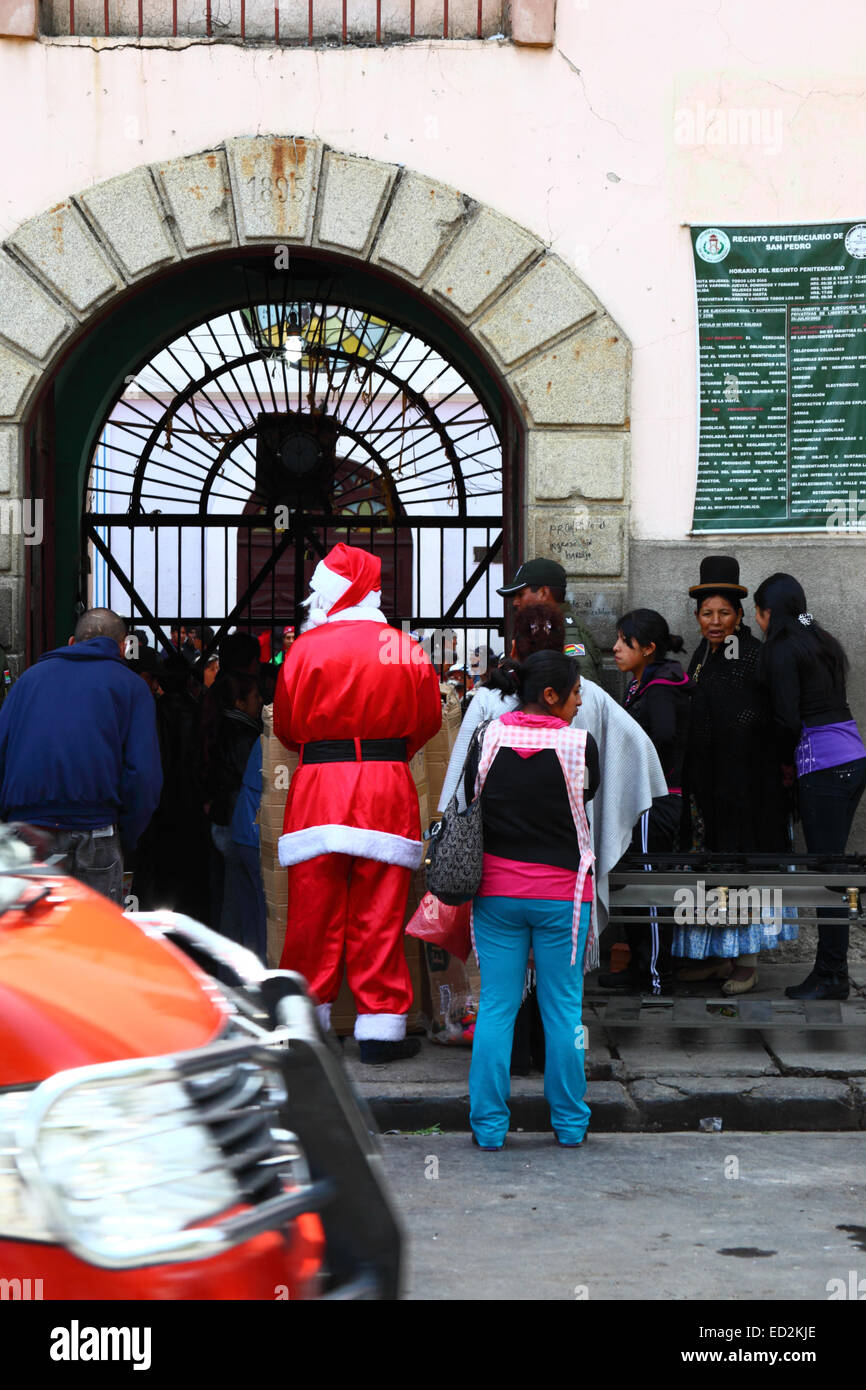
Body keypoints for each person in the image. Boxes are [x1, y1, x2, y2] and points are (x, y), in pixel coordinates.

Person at [275, 543, 442, 1063]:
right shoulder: (405, 649)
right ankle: (380, 1030)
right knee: (381, 912)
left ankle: (305, 1027)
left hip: (319, 790)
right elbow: (427, 721)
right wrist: (387, 755)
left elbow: (286, 727)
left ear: (336, 588)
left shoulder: (303, 649)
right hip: (385, 790)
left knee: (311, 914)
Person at [463, 651, 599, 1149]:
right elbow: (584, 797)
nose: (580, 700)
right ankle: (569, 1124)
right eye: (575, 691)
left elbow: (468, 798)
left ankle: (490, 1129)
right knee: (563, 1011)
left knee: (497, 1007)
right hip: (563, 896)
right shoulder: (581, 745)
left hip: (496, 894)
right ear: (550, 696)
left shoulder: (486, 738)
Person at [677, 556, 793, 994]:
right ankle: (721, 958)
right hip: (710, 785)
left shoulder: (747, 653)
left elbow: (750, 715)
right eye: (707, 613)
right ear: (696, 617)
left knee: (744, 865)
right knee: (715, 866)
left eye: (724, 612)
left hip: (747, 785)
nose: (715, 621)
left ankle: (746, 961)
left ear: (741, 615)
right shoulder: (705, 653)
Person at [754, 572, 866, 1001]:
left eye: (758, 614)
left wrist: (782, 763)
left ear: (769, 613)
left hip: (824, 767)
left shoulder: (782, 650)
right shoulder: (821, 641)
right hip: (851, 758)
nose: (759, 623)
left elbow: (786, 720)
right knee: (834, 870)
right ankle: (831, 971)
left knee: (828, 875)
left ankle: (831, 974)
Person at [0, 608, 162, 903]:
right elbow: (144, 776)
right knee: (95, 940)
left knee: (36, 939)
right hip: (97, 832)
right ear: (123, 647)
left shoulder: (27, 682)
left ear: (72, 642)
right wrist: (125, 836)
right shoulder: (132, 687)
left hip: (29, 831)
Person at [597, 609, 691, 995]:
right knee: (634, 886)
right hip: (643, 799)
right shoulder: (643, 684)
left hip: (659, 799)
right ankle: (639, 966)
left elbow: (664, 736)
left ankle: (658, 976)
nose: (616, 648)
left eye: (625, 642)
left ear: (649, 649)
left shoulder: (661, 688)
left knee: (650, 891)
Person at [204, 673, 263, 934]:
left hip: (224, 816)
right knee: (242, 902)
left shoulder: (222, 727)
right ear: (240, 703)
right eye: (256, 697)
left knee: (231, 897)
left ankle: (226, 967)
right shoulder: (245, 736)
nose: (262, 702)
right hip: (237, 820)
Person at [497, 557, 602, 685]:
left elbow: (581, 690)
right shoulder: (544, 628)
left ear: (543, 593)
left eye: (520, 595)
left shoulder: (567, 632)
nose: (515, 602)